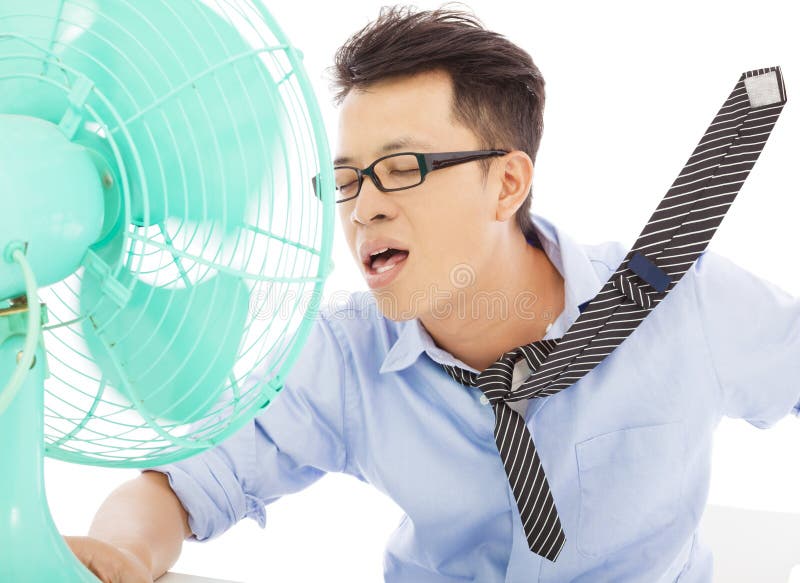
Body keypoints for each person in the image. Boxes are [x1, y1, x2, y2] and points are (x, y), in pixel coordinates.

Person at [66, 5, 800, 582]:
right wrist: (119, 552)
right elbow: (180, 487)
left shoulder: (684, 305)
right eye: (348, 178)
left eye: (404, 167)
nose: (365, 209)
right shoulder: (346, 352)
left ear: (506, 182)